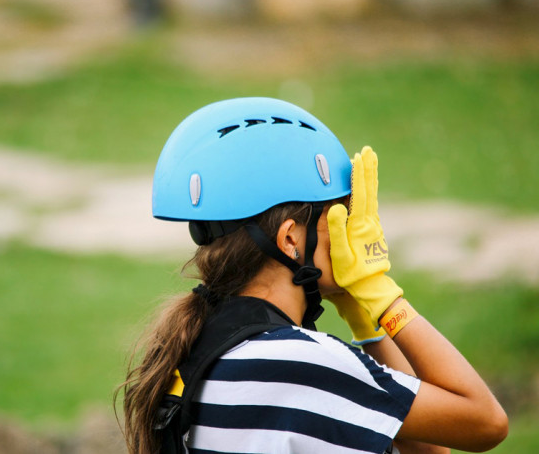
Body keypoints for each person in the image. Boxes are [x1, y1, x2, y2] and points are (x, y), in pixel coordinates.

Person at [118, 97, 508, 454]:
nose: (351, 232)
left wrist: (362, 319)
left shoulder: (200, 347)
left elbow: (427, 446)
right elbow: (484, 422)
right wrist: (382, 296)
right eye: (338, 215)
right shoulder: (298, 363)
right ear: (290, 239)